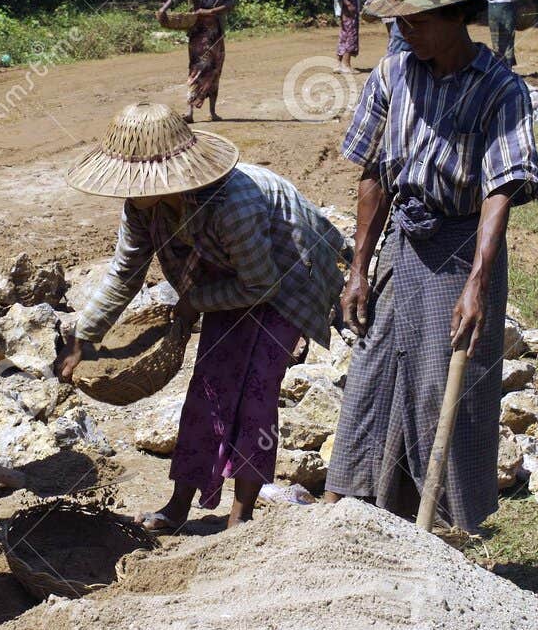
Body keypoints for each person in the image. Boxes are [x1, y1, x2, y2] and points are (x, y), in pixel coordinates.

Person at [322, 0, 538, 532]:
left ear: (454, 17)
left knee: (444, 389)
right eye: (399, 22)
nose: (405, 34)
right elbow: (372, 172)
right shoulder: (393, 75)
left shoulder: (500, 89)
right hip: (401, 243)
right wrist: (360, 267)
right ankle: (355, 512)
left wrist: (477, 282)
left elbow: (501, 189)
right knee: (372, 373)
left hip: (460, 250)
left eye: (415, 22)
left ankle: (444, 527)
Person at [57, 103, 345, 532]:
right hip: (226, 280)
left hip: (285, 277)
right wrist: (85, 336)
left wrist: (194, 302)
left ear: (169, 174)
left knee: (257, 392)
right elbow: (125, 272)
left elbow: (261, 285)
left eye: (138, 181)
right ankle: (179, 504)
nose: (131, 190)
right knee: (208, 387)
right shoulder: (142, 206)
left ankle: (241, 514)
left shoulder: (234, 202)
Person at [159, 0, 239, 123]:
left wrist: (210, 12)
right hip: (199, 32)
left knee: (215, 70)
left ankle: (213, 111)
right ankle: (189, 112)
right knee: (197, 68)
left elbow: (231, 3)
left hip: (216, 32)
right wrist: (164, 8)